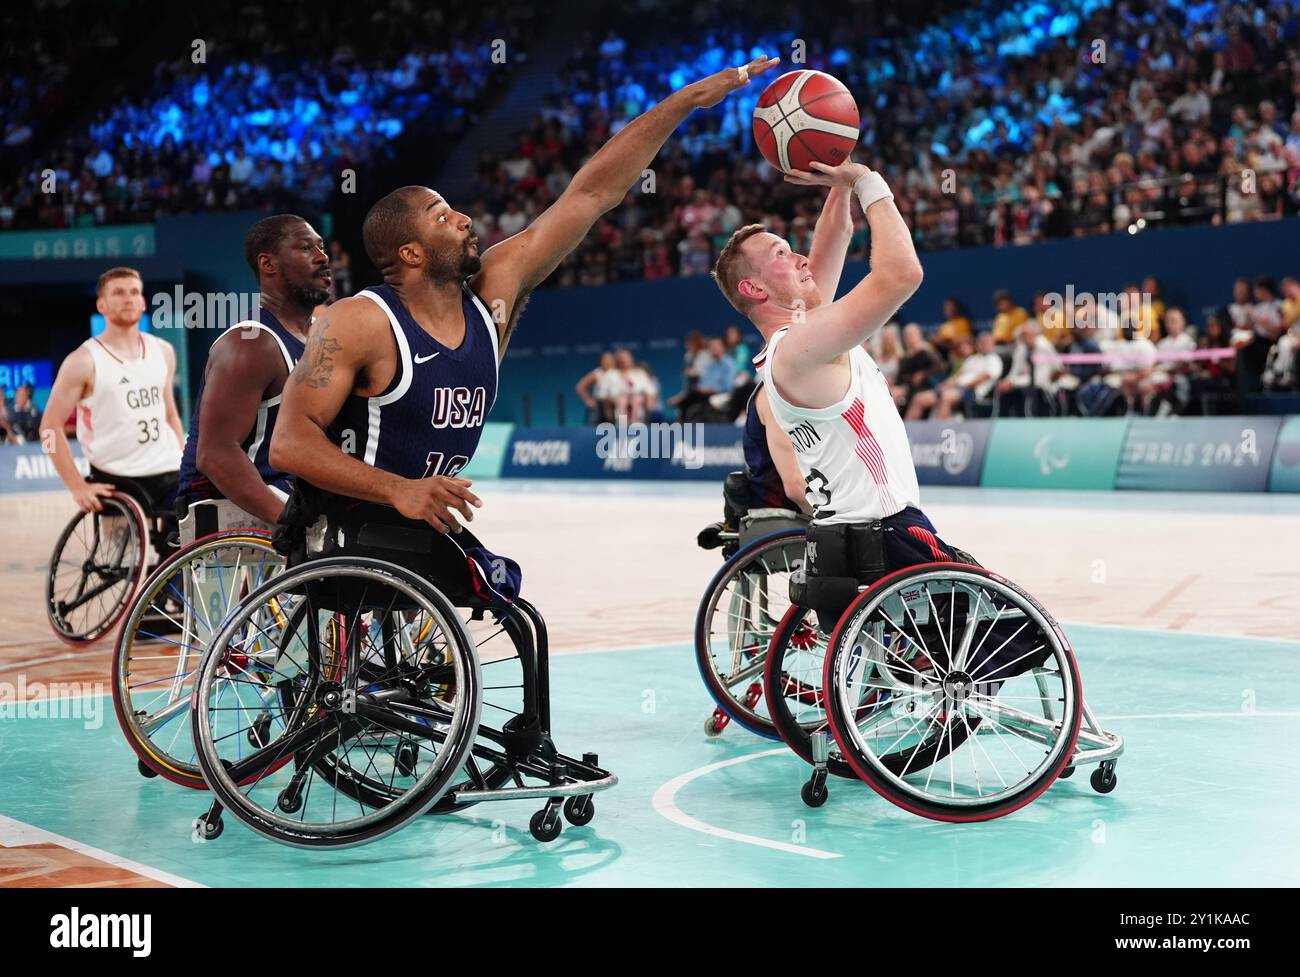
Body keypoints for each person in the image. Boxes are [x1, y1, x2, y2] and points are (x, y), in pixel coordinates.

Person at [269, 56, 781, 593]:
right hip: (346, 518)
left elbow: (590, 195)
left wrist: (682, 102)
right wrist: (399, 489)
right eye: (442, 216)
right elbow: (289, 446)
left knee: (508, 601)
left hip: (420, 518)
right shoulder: (358, 321)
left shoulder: (493, 292)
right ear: (411, 253)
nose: (464, 219)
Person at [709, 156, 1042, 682]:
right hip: (891, 532)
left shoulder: (798, 336)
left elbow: (831, 240)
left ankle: (914, 670)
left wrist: (837, 186)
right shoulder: (802, 346)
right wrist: (867, 182)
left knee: (995, 628)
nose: (798, 256)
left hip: (859, 533)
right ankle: (928, 677)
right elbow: (902, 273)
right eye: (780, 253)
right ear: (754, 290)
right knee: (1029, 635)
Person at [175, 214, 326, 527]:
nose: (322, 258)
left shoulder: (320, 337)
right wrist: (286, 521)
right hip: (226, 506)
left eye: (322, 247)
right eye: (306, 248)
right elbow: (215, 454)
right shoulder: (251, 343)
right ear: (268, 264)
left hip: (291, 490)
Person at [40, 267, 184, 518]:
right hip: (116, 477)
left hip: (168, 469)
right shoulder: (83, 361)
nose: (128, 298)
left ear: (143, 302)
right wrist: (76, 485)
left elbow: (170, 414)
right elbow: (49, 429)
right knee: (125, 557)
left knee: (185, 552)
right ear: (101, 305)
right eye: (118, 293)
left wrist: (184, 457)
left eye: (134, 292)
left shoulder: (164, 351)